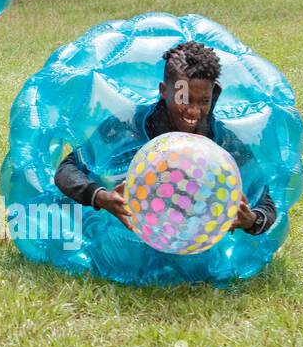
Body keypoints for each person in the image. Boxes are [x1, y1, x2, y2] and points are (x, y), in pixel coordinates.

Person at [55, 40, 276, 234]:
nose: (193, 111)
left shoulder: (221, 141)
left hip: (193, 246)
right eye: (184, 98)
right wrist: (101, 197)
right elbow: (67, 169)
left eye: (203, 101)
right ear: (163, 90)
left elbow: (265, 203)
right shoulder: (129, 126)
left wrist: (251, 221)